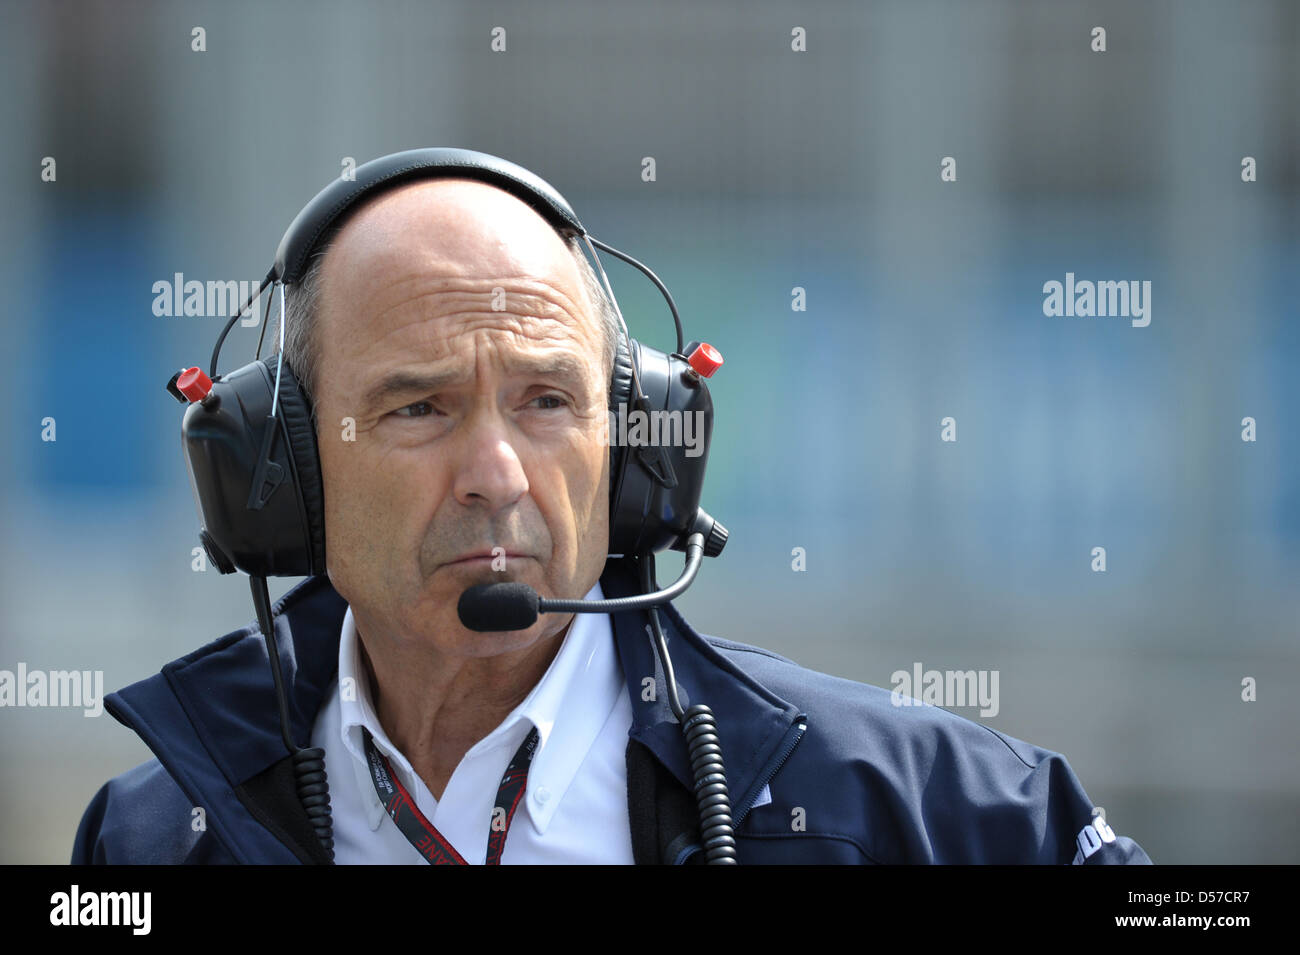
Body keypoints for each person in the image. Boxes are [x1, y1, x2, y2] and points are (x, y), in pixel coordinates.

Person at [72, 153, 1152, 865]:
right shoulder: (152, 841)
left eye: (547, 400)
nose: (496, 471)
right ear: (283, 465)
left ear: (634, 441)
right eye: (418, 407)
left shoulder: (927, 812)